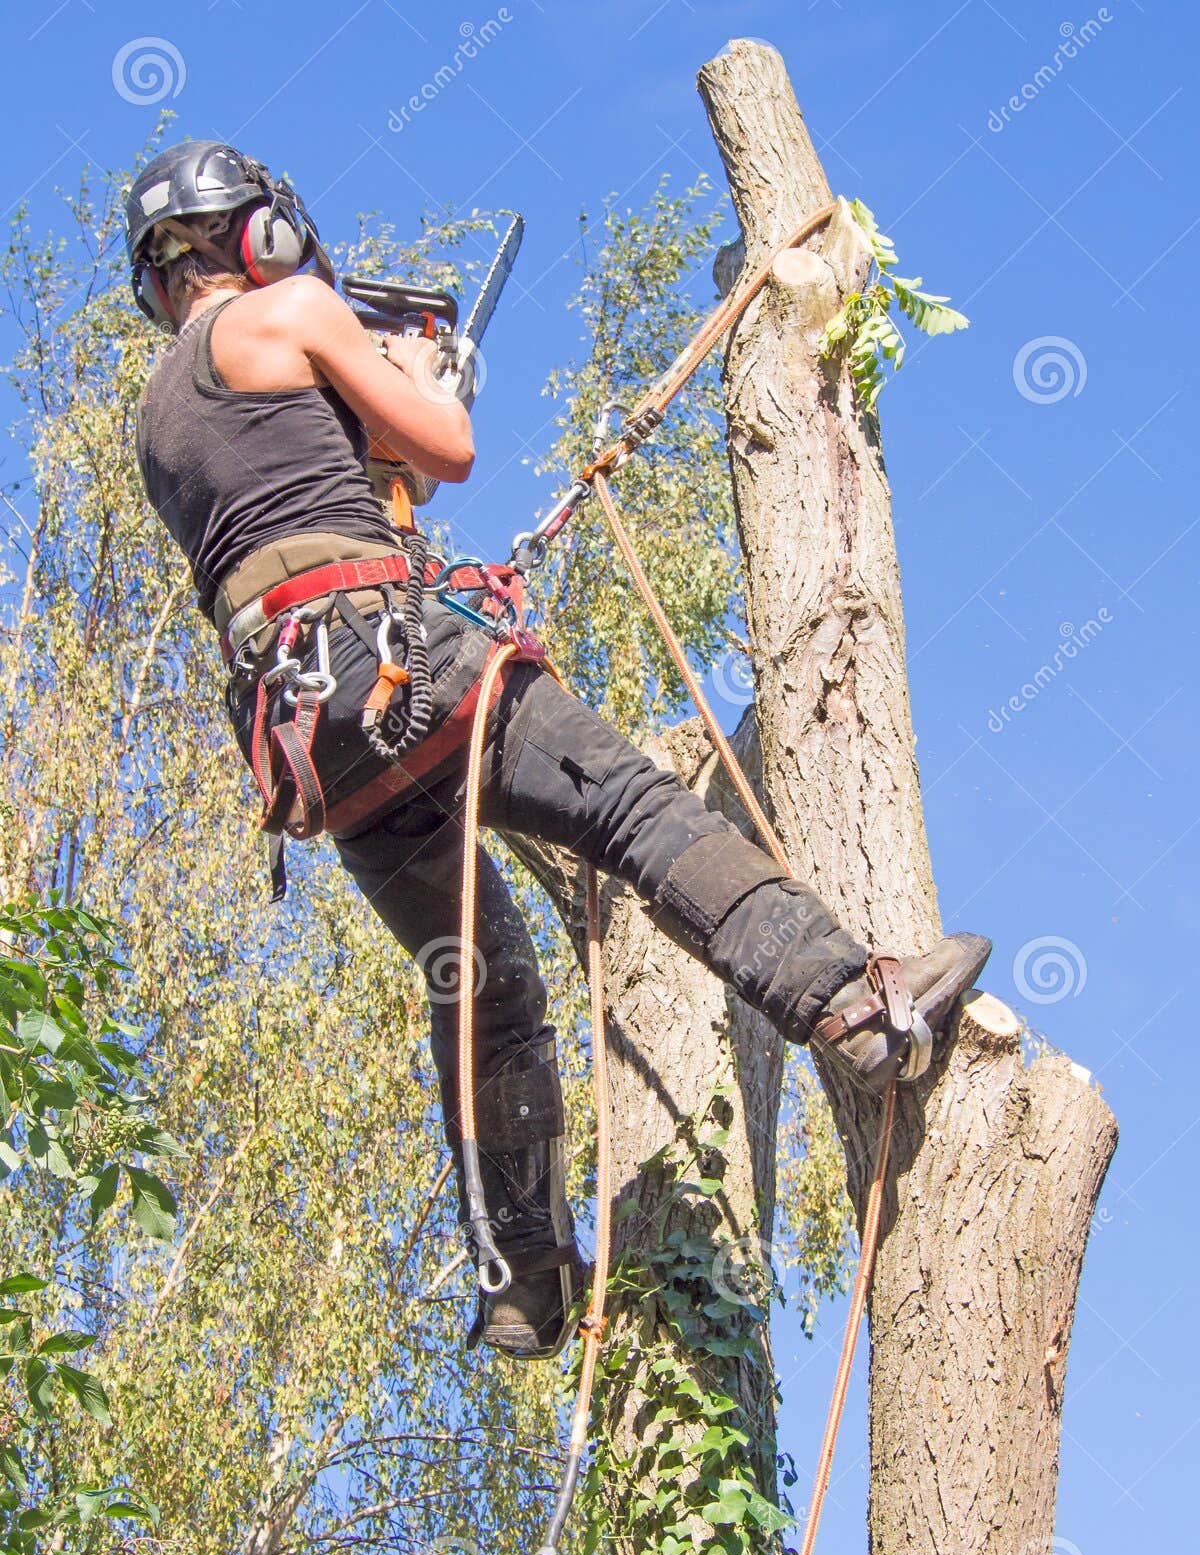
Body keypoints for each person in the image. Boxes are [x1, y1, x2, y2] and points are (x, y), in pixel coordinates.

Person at [129, 141, 990, 1364]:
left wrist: (367, 433)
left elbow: (300, 508)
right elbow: (446, 447)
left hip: (315, 748)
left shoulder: (158, 418)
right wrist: (411, 374)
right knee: (635, 811)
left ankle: (525, 1282)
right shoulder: (294, 309)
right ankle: (855, 1000)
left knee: (482, 987)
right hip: (403, 663)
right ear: (255, 237)